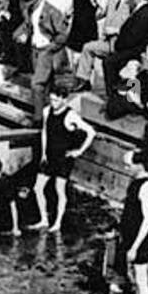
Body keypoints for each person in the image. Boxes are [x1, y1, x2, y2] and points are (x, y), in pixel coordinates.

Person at [33, 77, 96, 232]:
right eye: (51, 99)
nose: (53, 102)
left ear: (63, 99)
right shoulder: (47, 111)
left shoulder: (70, 115)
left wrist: (79, 151)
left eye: (56, 100)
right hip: (49, 156)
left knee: (59, 189)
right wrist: (43, 153)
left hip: (64, 157)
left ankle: (58, 223)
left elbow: (91, 132)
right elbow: (45, 133)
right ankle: (44, 219)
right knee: (37, 187)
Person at [114, 151, 148, 294]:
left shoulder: (147, 187)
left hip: (140, 241)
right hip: (131, 237)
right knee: (136, 281)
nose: (127, 168)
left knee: (141, 281)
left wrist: (134, 247)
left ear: (139, 165)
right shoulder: (136, 184)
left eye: (129, 165)